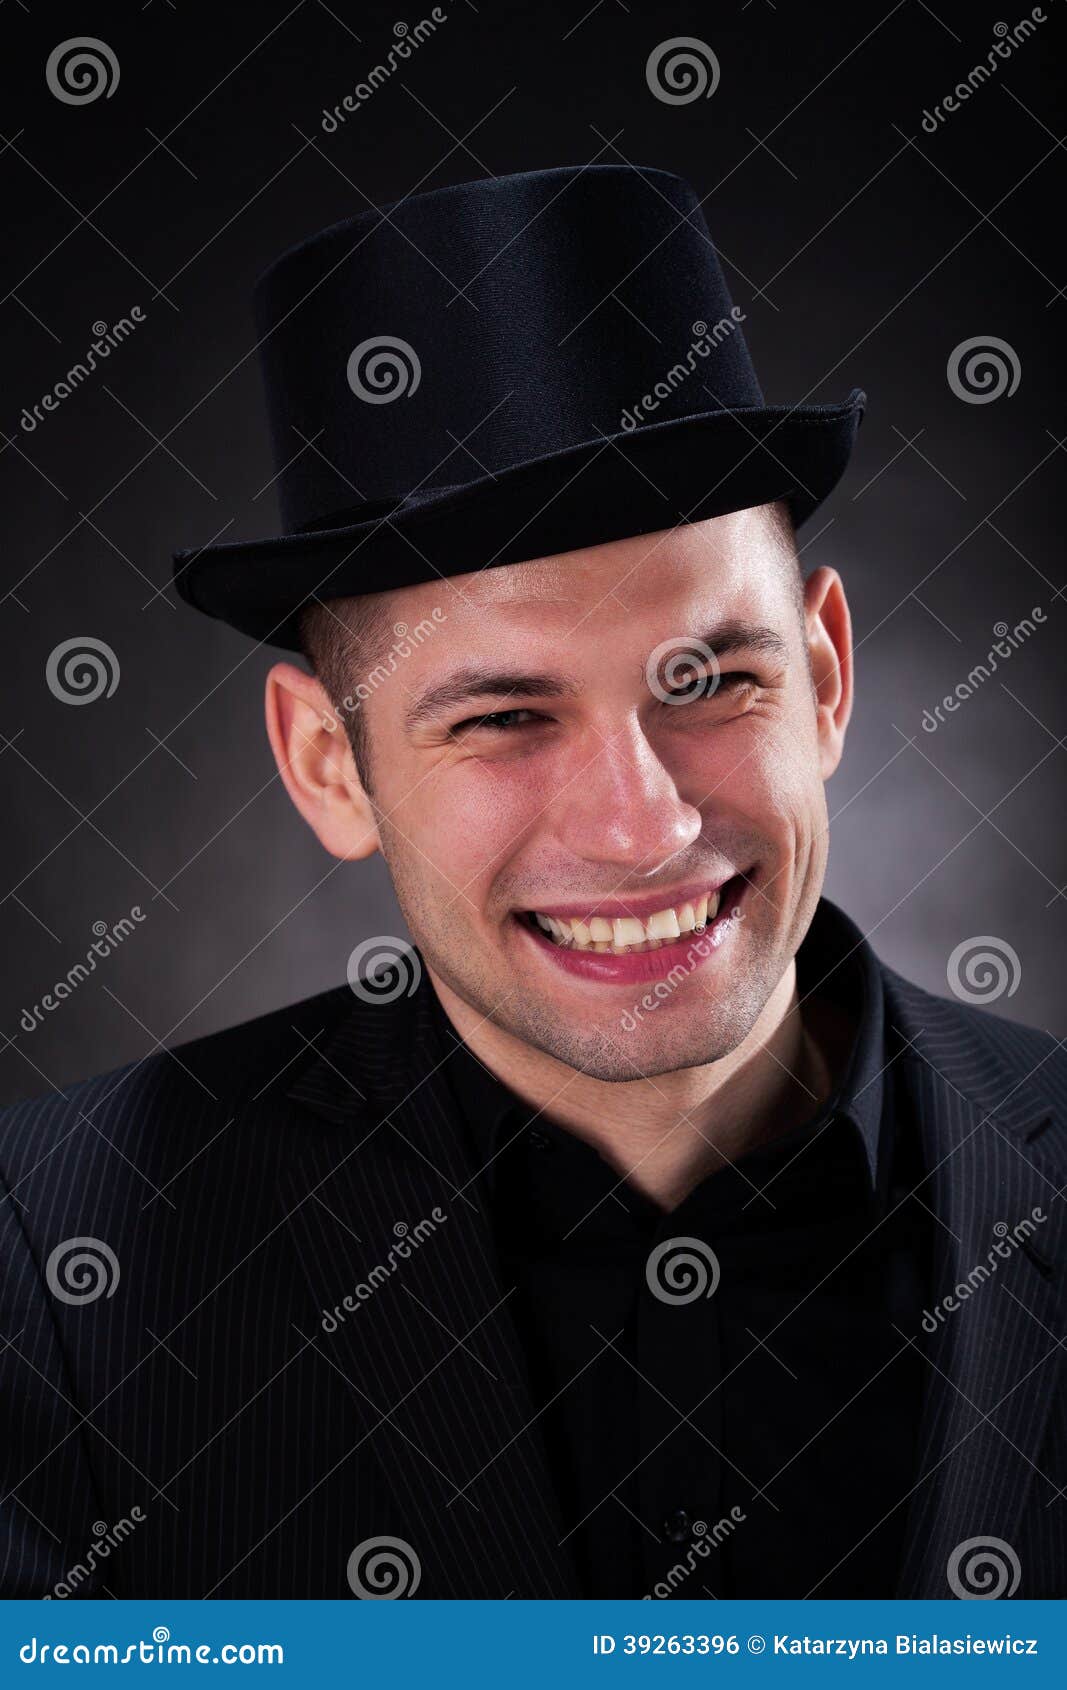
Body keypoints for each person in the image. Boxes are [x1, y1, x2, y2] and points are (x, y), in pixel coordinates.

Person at [1, 166, 1062, 1601]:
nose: (640, 825)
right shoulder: (48, 1266)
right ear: (329, 762)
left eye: (709, 679)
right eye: (502, 717)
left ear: (822, 677)